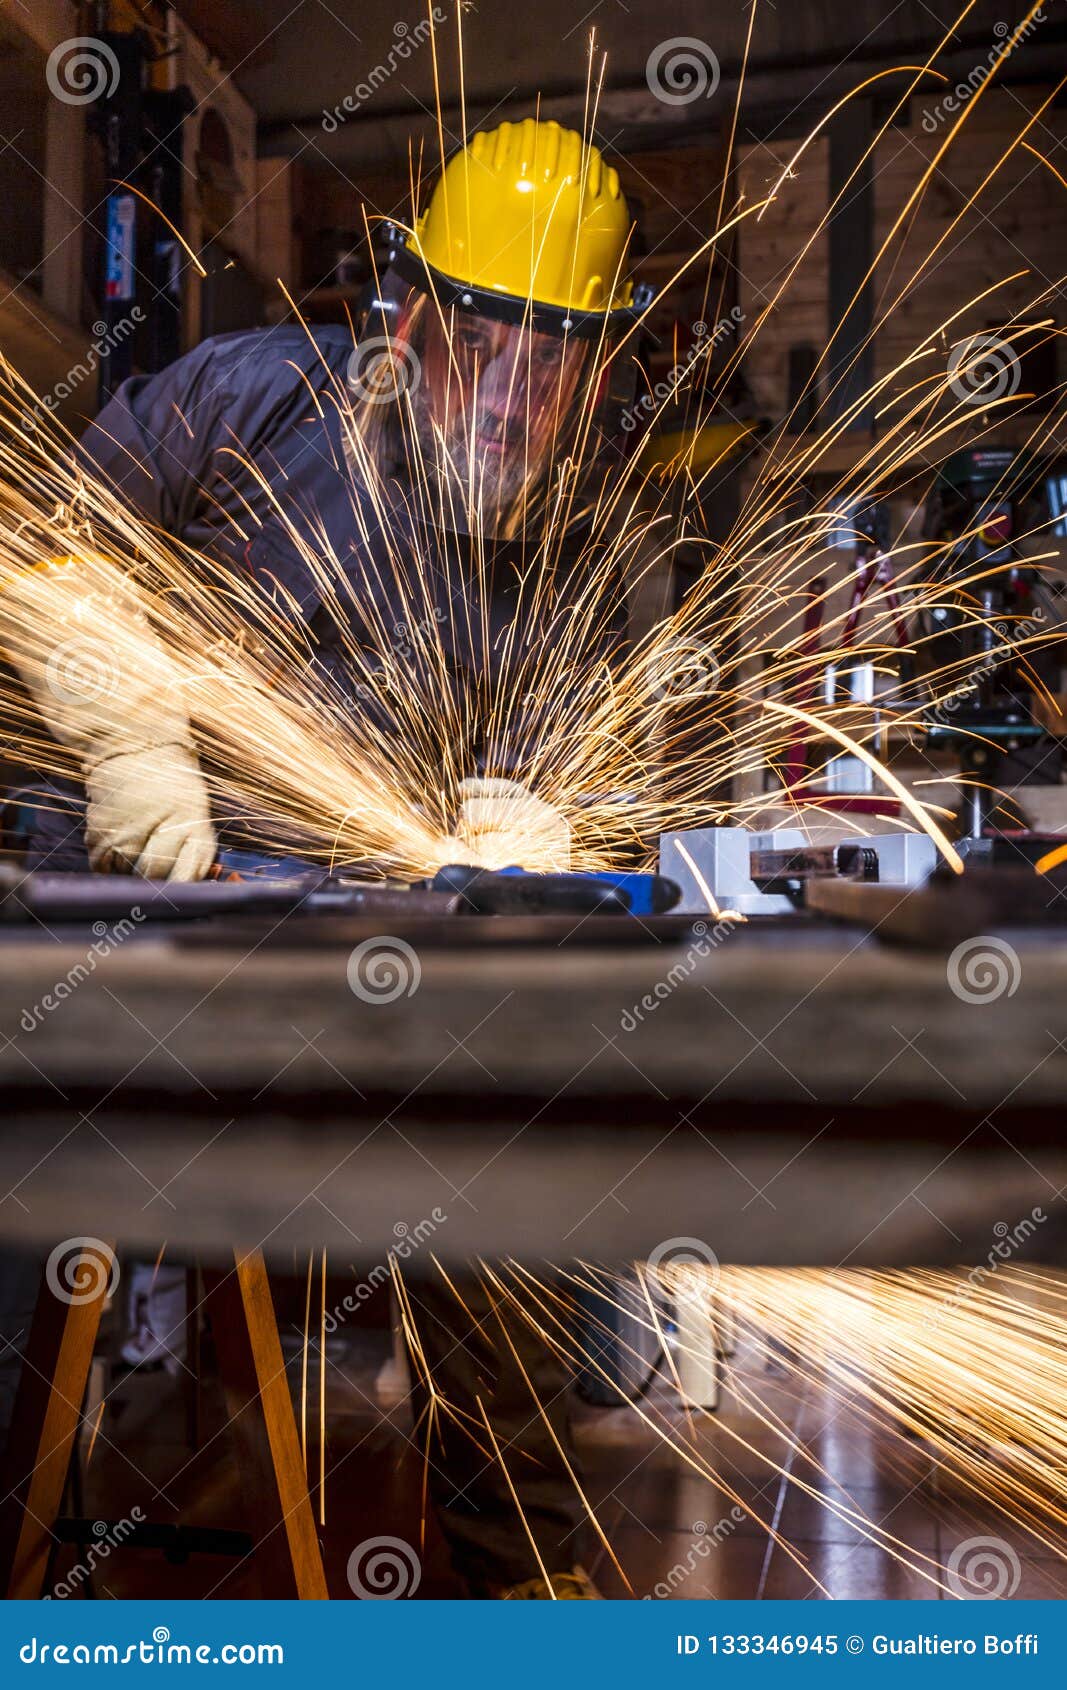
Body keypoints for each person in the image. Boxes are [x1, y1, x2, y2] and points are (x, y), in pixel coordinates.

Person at [1, 118, 643, 1598]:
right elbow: (48, 537)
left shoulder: (567, 552)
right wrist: (126, 727)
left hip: (383, 990)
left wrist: (535, 827)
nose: (509, 394)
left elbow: (577, 760)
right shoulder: (250, 401)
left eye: (552, 368)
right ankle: (51, 1587)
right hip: (142, 938)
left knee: (524, 1248)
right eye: (484, 343)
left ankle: (509, 1616)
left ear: (599, 377)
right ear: (411, 319)